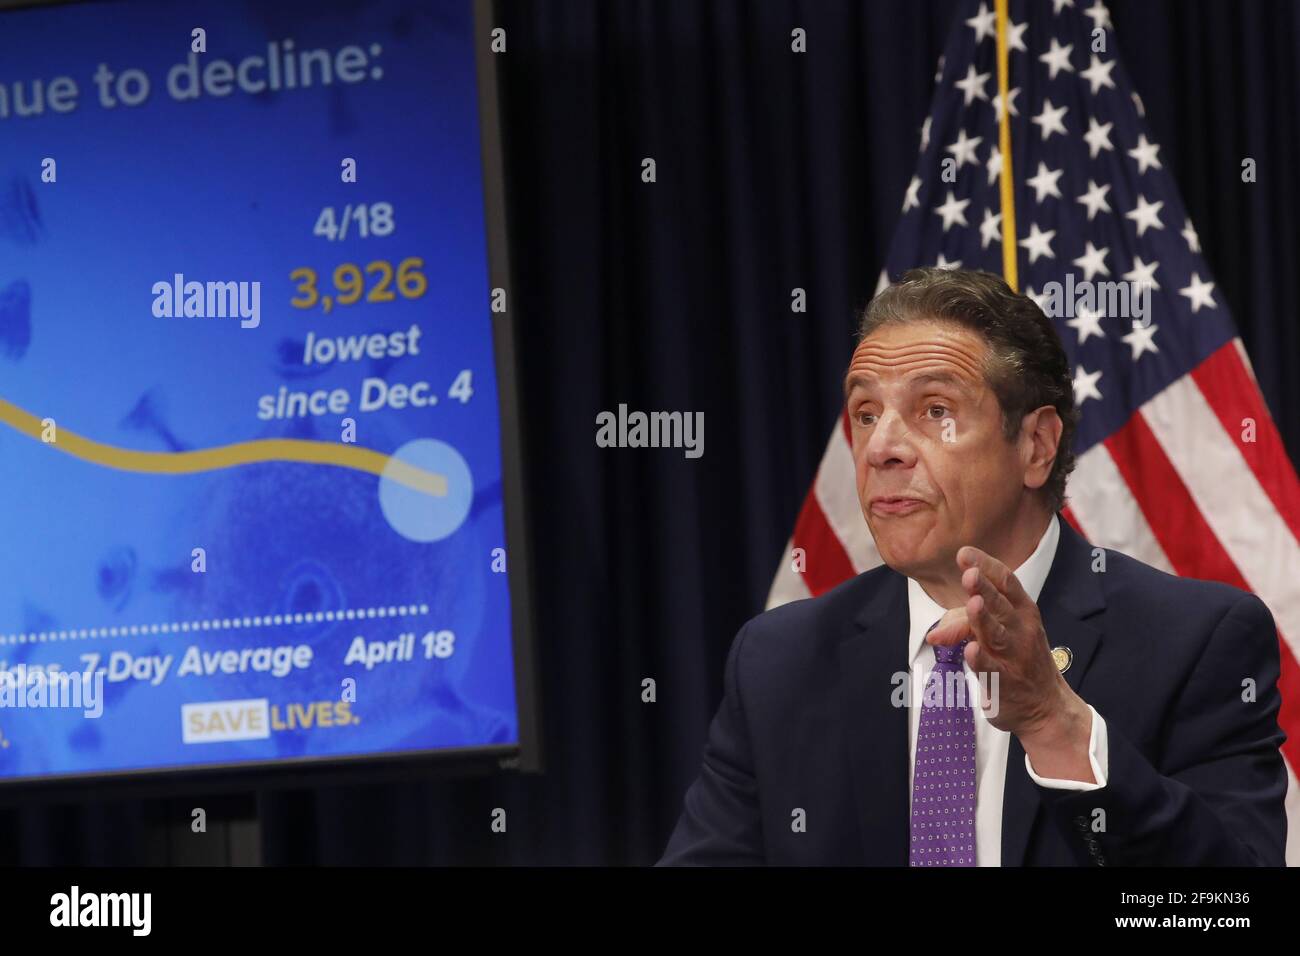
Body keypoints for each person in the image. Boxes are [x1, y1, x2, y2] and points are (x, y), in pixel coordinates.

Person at [658, 267, 1288, 866]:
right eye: (866, 414)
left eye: (935, 410)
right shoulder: (778, 662)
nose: (881, 448)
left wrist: (1054, 724)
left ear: (1036, 446)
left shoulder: (1197, 643)